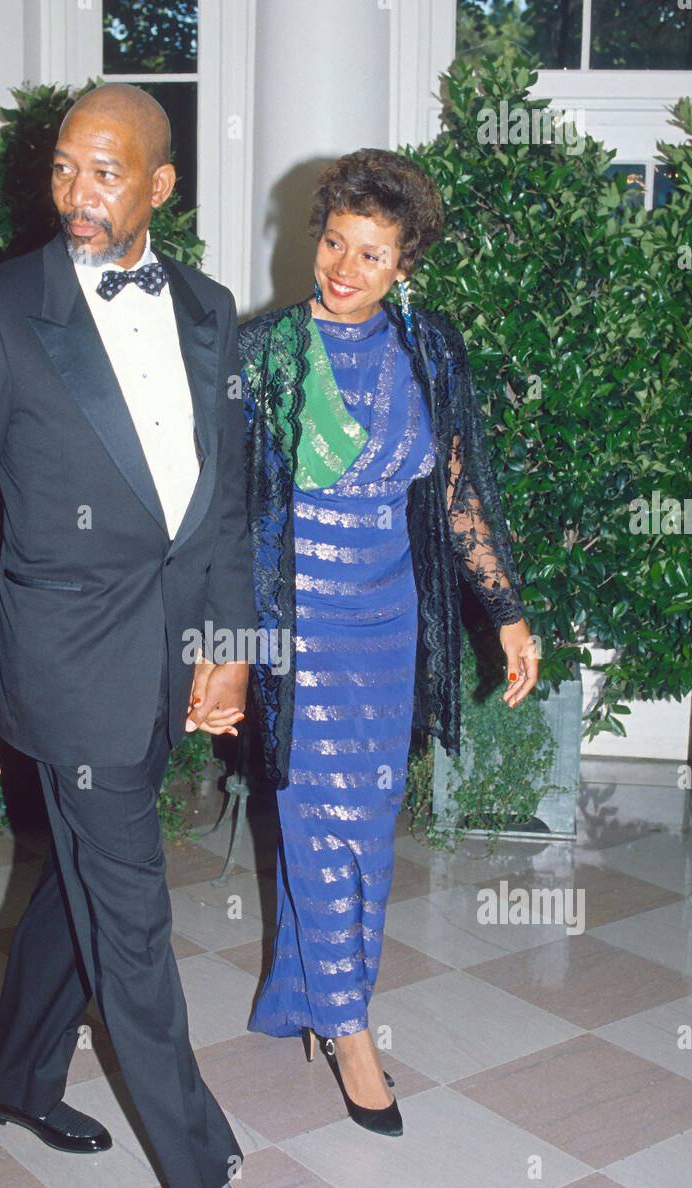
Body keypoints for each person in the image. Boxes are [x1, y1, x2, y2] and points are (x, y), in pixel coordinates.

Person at [0, 83, 270, 1188]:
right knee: (132, 915)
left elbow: (222, 505)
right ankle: (200, 1169)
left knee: (78, 880)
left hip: (166, 654)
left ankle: (14, 1079)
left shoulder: (209, 309)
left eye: (105, 172)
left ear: (160, 185)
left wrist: (226, 643)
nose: (77, 192)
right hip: (67, 668)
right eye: (65, 167)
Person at [239, 148, 539, 1133]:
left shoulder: (428, 347)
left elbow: (454, 491)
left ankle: (302, 994)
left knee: (366, 821)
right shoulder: (267, 352)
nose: (345, 268)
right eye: (336, 243)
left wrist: (506, 610)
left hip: (388, 620)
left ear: (405, 264)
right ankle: (349, 1028)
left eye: (372, 254)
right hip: (299, 624)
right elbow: (228, 512)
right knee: (318, 816)